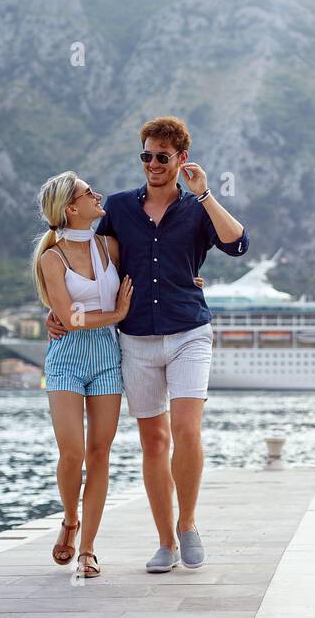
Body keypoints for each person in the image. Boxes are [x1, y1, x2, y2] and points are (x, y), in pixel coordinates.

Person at [47, 117, 249, 573]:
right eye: (146, 156)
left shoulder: (198, 209)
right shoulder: (118, 208)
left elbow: (238, 245)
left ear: (180, 160)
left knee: (187, 430)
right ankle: (164, 542)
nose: (152, 165)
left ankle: (188, 524)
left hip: (189, 331)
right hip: (135, 338)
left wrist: (206, 194)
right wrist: (55, 310)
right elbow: (80, 260)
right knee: (153, 441)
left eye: (162, 157)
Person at [32, 172, 132, 579]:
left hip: (108, 356)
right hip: (66, 360)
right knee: (72, 452)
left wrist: (189, 280)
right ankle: (69, 519)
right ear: (71, 208)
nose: (98, 195)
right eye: (88, 193)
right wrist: (117, 315)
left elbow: (154, 266)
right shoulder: (50, 259)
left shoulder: (110, 245)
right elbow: (70, 319)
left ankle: (88, 547)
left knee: (100, 454)